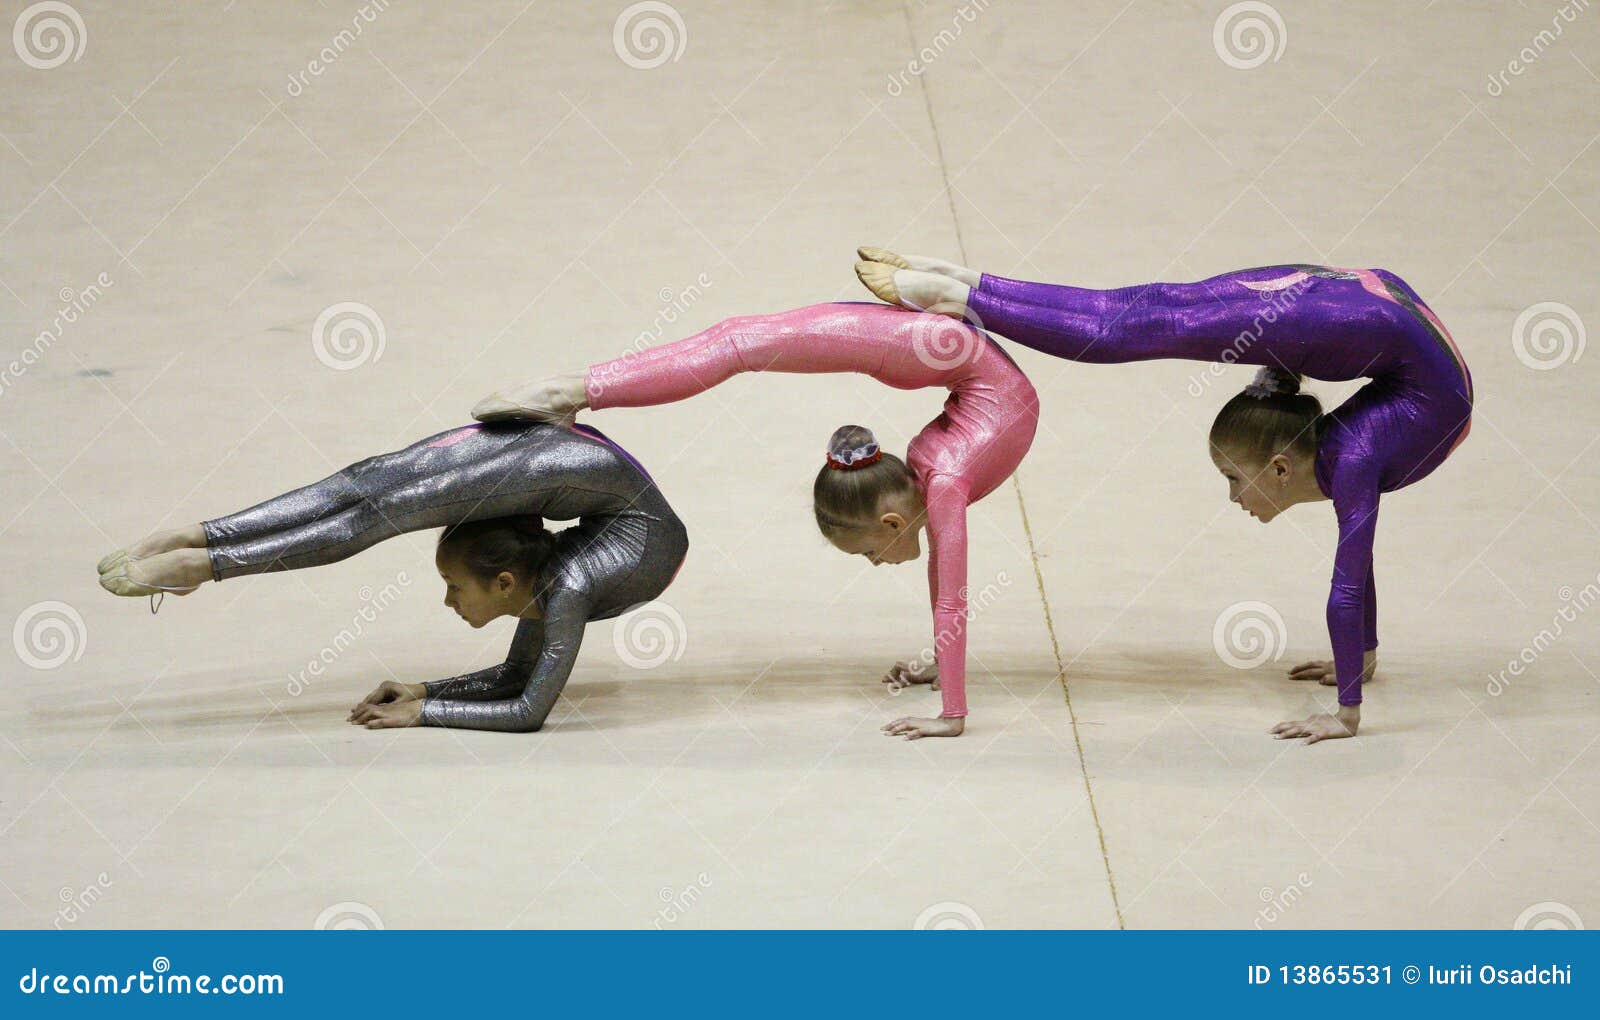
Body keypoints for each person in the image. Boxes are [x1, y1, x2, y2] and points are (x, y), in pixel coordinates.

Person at [855, 247, 1472, 743]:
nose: (1235, 497)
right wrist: (1348, 700)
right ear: (1283, 467)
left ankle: (961, 282)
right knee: (1141, 325)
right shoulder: (1358, 457)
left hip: (1356, 301)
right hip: (1365, 322)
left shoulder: (1357, 448)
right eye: (1234, 479)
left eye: (1234, 478)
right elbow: (1349, 578)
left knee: (1153, 306)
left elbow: (1356, 574)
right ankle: (958, 294)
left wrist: (1355, 678)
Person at [473, 302, 1040, 739]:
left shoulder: (928, 478)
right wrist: (953, 713)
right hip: (946, 350)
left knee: (737, 338)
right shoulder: (940, 488)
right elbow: (951, 596)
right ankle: (571, 391)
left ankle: (577, 389)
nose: (876, 562)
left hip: (952, 353)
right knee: (738, 343)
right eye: (870, 552)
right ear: (892, 521)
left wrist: (942, 668)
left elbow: (943, 585)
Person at [97, 421, 688, 733]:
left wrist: (425, 695)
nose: (448, 601)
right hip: (576, 467)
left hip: (575, 465)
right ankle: (204, 554)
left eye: (455, 586)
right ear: (506, 581)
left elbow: (519, 687)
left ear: (507, 581)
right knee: (372, 497)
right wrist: (426, 709)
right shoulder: (563, 587)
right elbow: (527, 706)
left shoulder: (560, 585)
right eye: (454, 587)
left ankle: (204, 544)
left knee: (374, 490)